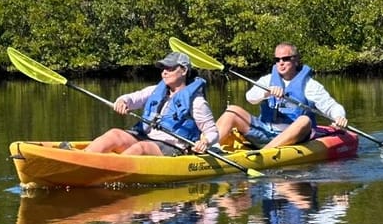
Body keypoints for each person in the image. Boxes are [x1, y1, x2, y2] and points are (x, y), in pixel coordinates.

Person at [216, 42, 348, 150]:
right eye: (277, 60)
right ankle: (211, 148)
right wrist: (267, 92)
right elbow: (250, 98)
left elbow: (332, 107)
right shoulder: (267, 80)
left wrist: (339, 117)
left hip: (294, 136)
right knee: (232, 111)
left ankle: (266, 153)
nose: (281, 63)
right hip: (265, 131)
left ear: (296, 60)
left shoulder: (310, 85)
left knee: (305, 120)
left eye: (285, 59)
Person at [84, 52, 220, 155]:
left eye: (170, 68)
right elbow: (133, 98)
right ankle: (83, 158)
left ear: (184, 71)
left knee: (141, 148)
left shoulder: (197, 102)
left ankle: (110, 170)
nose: (164, 72)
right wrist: (122, 101)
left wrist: (205, 141)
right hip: (144, 136)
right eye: (163, 69)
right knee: (114, 134)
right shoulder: (154, 91)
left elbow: (212, 132)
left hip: (172, 147)